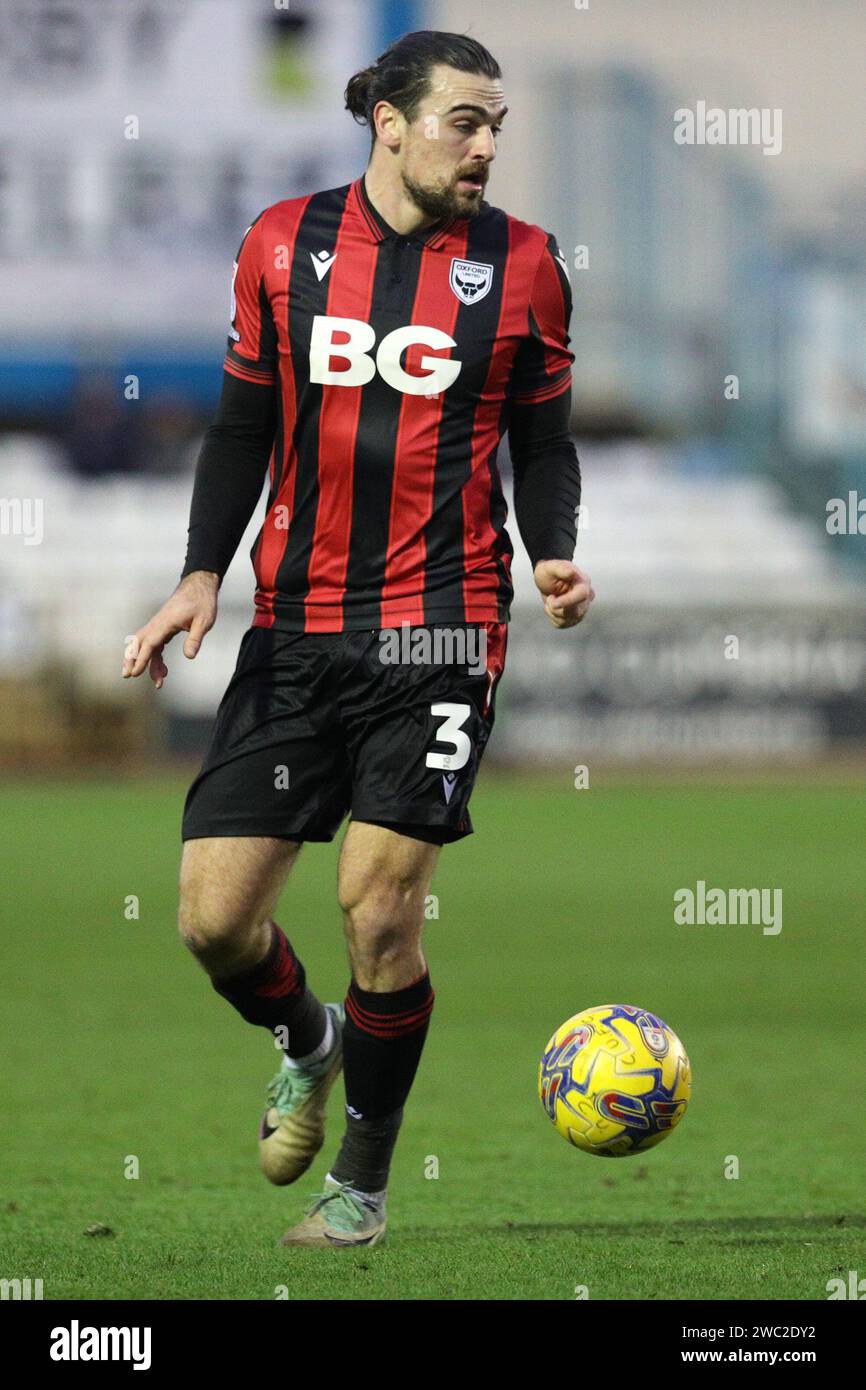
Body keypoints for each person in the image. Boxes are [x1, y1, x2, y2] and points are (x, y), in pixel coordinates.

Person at [122, 29, 594, 1249]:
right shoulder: (283, 243)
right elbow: (239, 428)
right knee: (213, 922)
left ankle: (364, 1188)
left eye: (496, 124)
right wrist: (196, 579)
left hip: (442, 627)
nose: (485, 145)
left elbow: (543, 440)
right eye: (462, 122)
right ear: (387, 121)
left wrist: (548, 546)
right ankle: (308, 1040)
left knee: (377, 911)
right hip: (293, 626)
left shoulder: (526, 264)